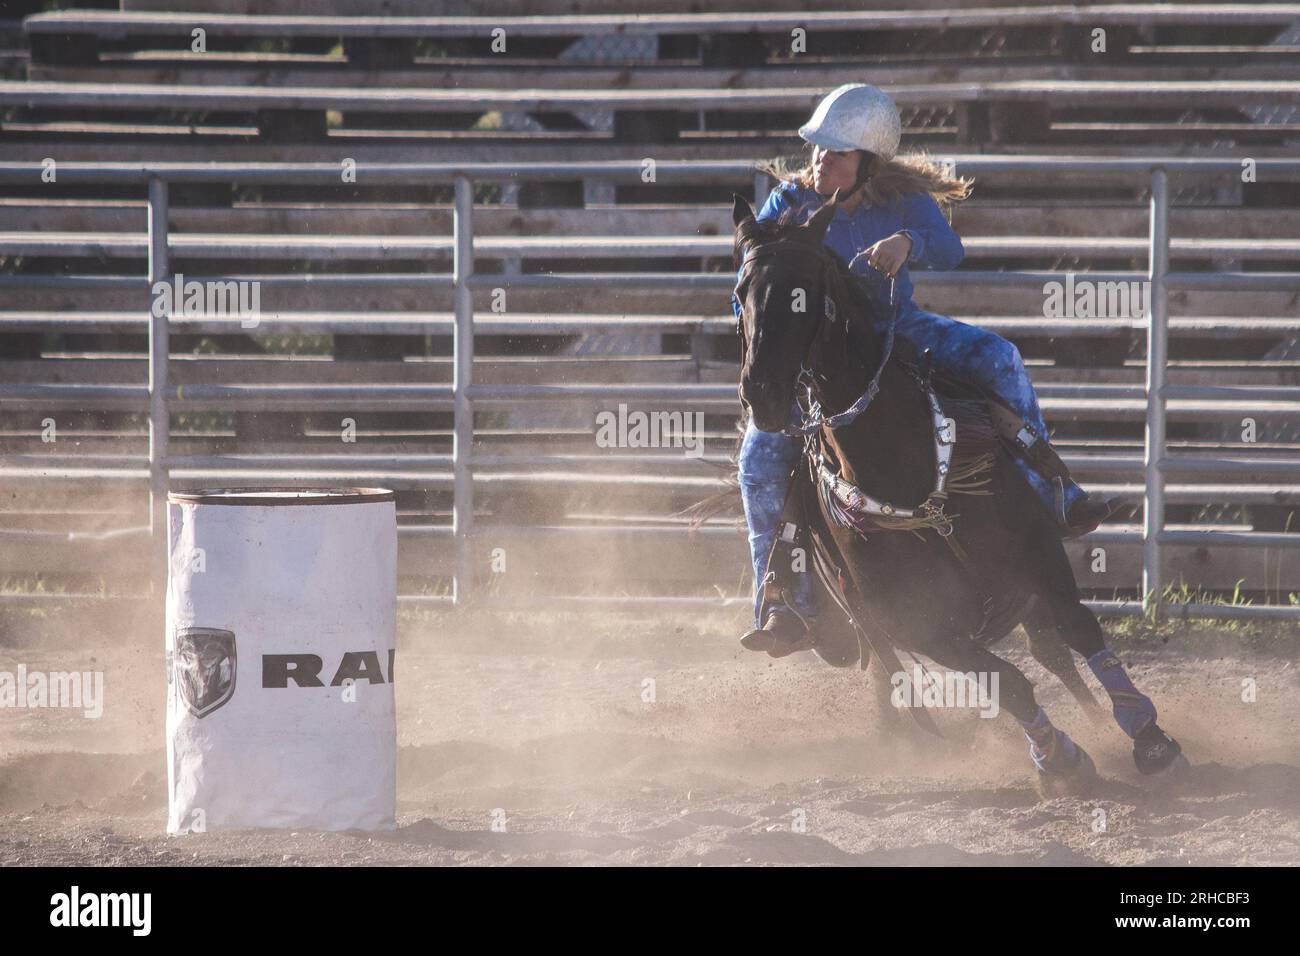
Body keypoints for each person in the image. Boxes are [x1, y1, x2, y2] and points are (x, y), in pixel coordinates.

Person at [732, 83, 1117, 654]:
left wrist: (907, 242)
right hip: (816, 363)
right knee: (759, 459)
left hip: (898, 330)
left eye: (837, 153)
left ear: (867, 164)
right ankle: (784, 601)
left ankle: (1051, 490)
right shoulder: (786, 206)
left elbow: (949, 247)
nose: (821, 161)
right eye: (818, 150)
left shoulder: (903, 202)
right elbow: (746, 289)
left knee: (999, 356)